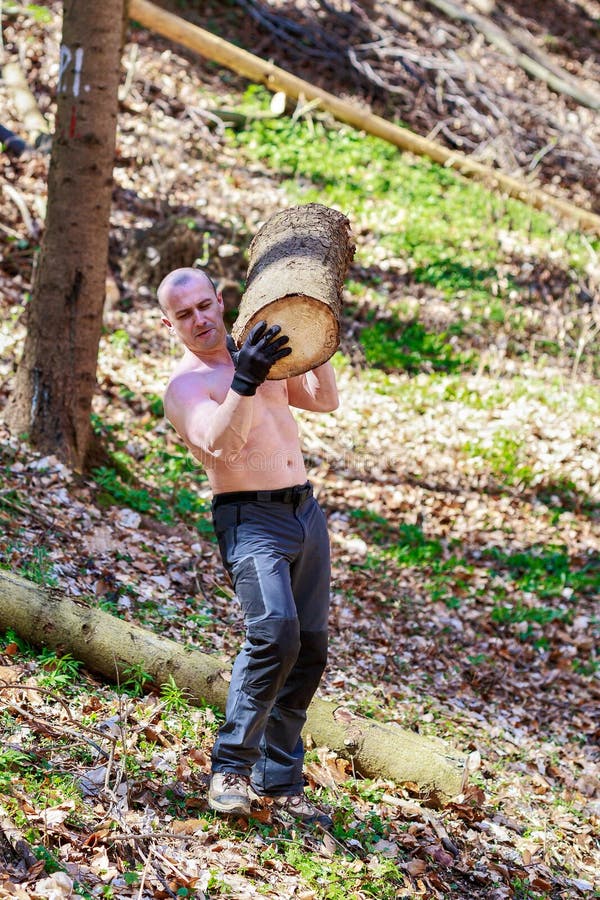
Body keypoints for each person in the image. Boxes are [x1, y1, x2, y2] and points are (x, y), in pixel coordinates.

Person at [157, 266, 338, 826]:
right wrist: (245, 380)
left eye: (205, 305)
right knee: (273, 635)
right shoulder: (186, 386)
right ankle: (230, 769)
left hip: (303, 511)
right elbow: (219, 447)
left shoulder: (259, 350)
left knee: (309, 649)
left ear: (220, 300)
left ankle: (279, 780)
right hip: (249, 519)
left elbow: (324, 400)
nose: (200, 320)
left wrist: (316, 331)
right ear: (169, 324)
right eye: (184, 315)